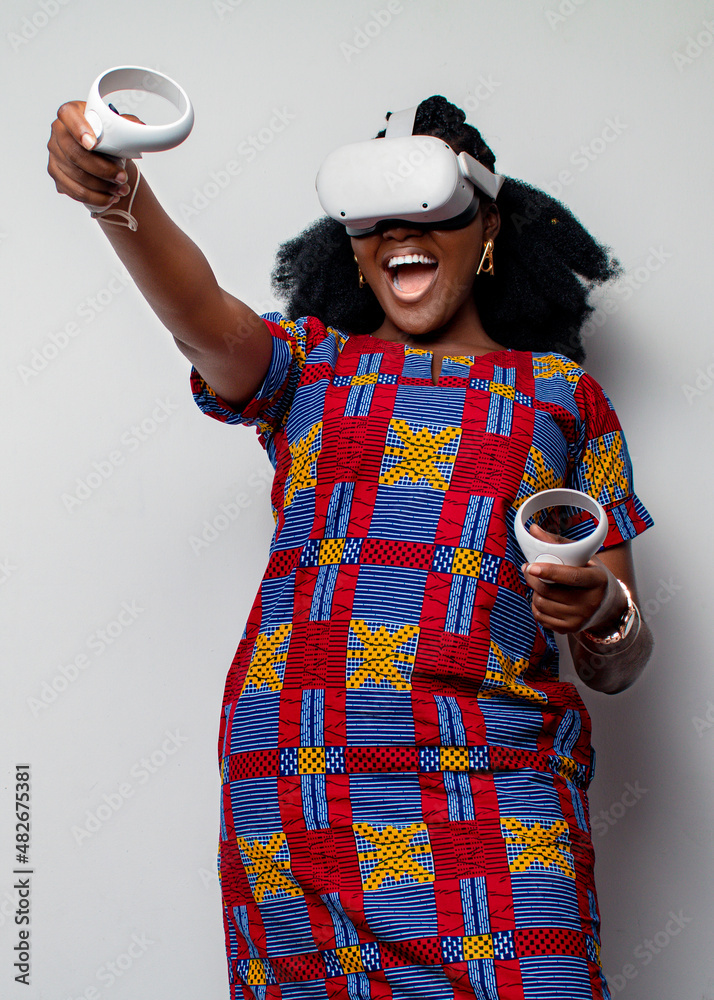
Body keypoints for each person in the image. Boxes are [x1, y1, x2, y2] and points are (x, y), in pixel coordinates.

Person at [48, 93, 653, 1000]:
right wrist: (118, 196)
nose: (399, 233)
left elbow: (623, 654)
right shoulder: (311, 367)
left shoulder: (564, 398)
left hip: (492, 776)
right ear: (348, 241)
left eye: (430, 205)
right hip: (302, 784)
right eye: (370, 217)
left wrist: (600, 612)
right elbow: (199, 317)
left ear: (487, 226)